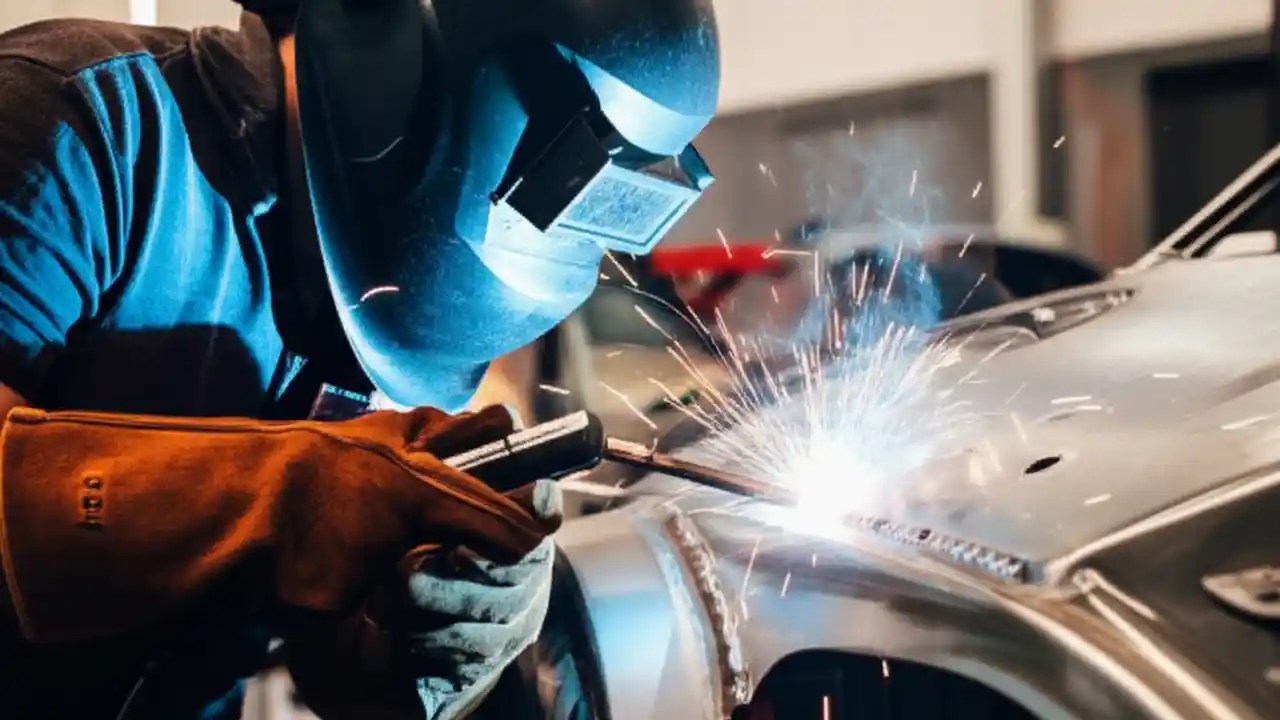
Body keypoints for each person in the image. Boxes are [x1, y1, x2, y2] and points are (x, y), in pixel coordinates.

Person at [0, 0, 720, 717]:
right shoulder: (81, 127)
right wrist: (279, 505)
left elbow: (322, 658)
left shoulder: (386, 298)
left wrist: (427, 629)